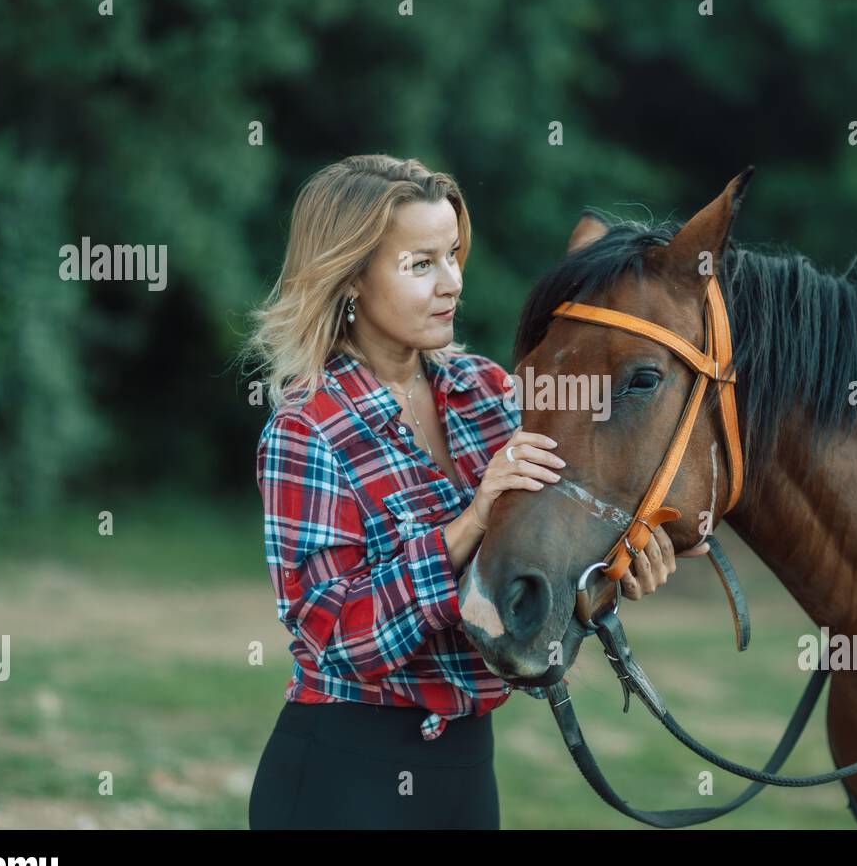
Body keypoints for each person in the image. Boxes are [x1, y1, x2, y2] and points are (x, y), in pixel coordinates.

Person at [244, 154, 699, 829]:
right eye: (420, 264)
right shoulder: (308, 431)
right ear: (351, 280)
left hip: (464, 774)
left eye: (454, 255)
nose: (452, 282)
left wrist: (614, 567)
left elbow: (529, 563)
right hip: (343, 775)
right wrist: (469, 520)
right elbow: (334, 636)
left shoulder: (488, 393)